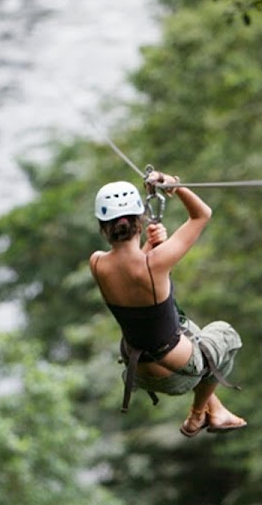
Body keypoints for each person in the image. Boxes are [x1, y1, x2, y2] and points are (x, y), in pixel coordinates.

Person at [89, 170, 247, 437]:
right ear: (139, 221)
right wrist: (176, 187)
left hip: (137, 370)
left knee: (188, 327)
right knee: (225, 335)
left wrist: (151, 245)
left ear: (104, 227)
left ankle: (217, 410)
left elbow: (134, 277)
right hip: (177, 372)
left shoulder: (97, 263)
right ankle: (198, 414)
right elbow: (202, 214)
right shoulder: (156, 262)